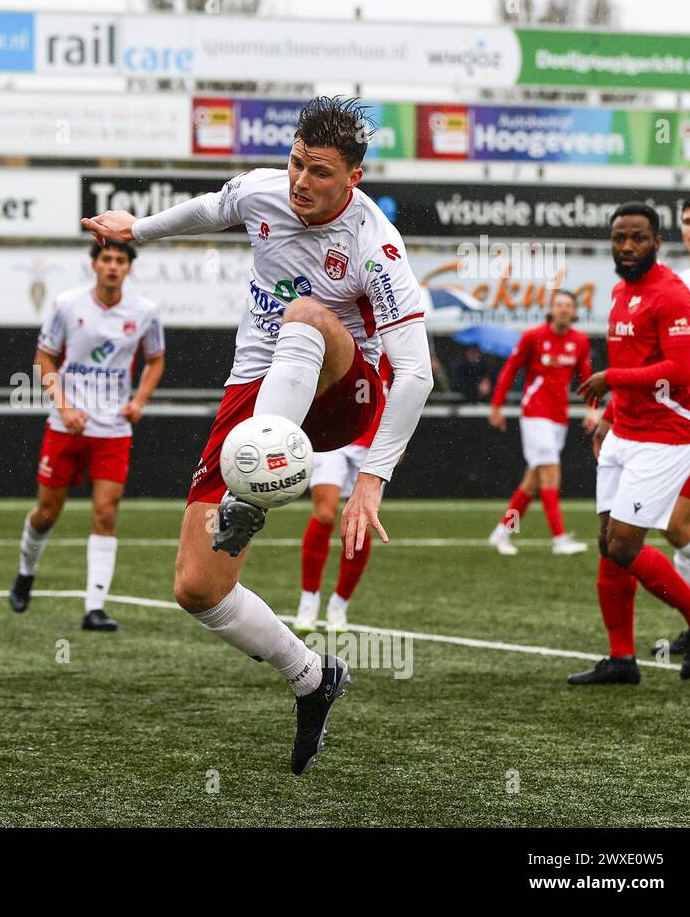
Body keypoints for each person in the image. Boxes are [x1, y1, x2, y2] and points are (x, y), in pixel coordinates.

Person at [83, 96, 433, 774]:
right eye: (297, 162)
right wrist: (137, 231)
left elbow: (415, 371)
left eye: (321, 172)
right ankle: (311, 676)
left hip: (345, 387)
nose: (302, 181)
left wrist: (370, 481)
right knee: (196, 586)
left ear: (353, 179)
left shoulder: (375, 243)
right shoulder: (264, 192)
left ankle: (251, 498)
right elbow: (211, 209)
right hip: (257, 390)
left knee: (304, 312)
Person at [571, 202, 690, 684]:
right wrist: (610, 416)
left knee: (626, 545)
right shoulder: (618, 290)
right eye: (619, 238)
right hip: (625, 433)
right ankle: (622, 660)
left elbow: (677, 370)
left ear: (656, 241)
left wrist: (610, 379)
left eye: (637, 238)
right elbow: (630, 362)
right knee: (606, 545)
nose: (627, 247)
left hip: (667, 437)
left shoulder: (672, 294)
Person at [9, 241, 165, 631]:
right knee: (47, 513)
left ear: (128, 269)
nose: (113, 266)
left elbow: (155, 359)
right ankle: (26, 571)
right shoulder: (67, 304)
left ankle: (94, 607)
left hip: (113, 428)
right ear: (94, 265)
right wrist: (64, 406)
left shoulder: (144, 312)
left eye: (120, 261)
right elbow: (44, 358)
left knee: (106, 512)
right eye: (106, 259)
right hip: (66, 426)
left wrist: (139, 400)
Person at [652, 195, 690, 657]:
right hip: (686, 421)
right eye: (688, 221)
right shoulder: (681, 283)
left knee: (675, 523)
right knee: (689, 523)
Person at [486, 290, 593, 556]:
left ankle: (502, 532)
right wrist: (497, 405)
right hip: (535, 414)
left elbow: (586, 377)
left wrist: (594, 408)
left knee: (531, 483)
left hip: (559, 419)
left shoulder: (580, 341)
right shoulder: (533, 337)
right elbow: (510, 369)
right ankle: (559, 539)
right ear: (551, 309)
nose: (563, 309)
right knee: (551, 473)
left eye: (568, 305)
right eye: (559, 305)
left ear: (575, 311)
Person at [296, 356, 391, 632]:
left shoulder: (391, 331)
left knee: (361, 523)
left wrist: (397, 440)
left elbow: (405, 388)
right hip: (332, 435)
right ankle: (308, 600)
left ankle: (339, 605)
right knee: (325, 514)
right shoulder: (334, 323)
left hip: (372, 440)